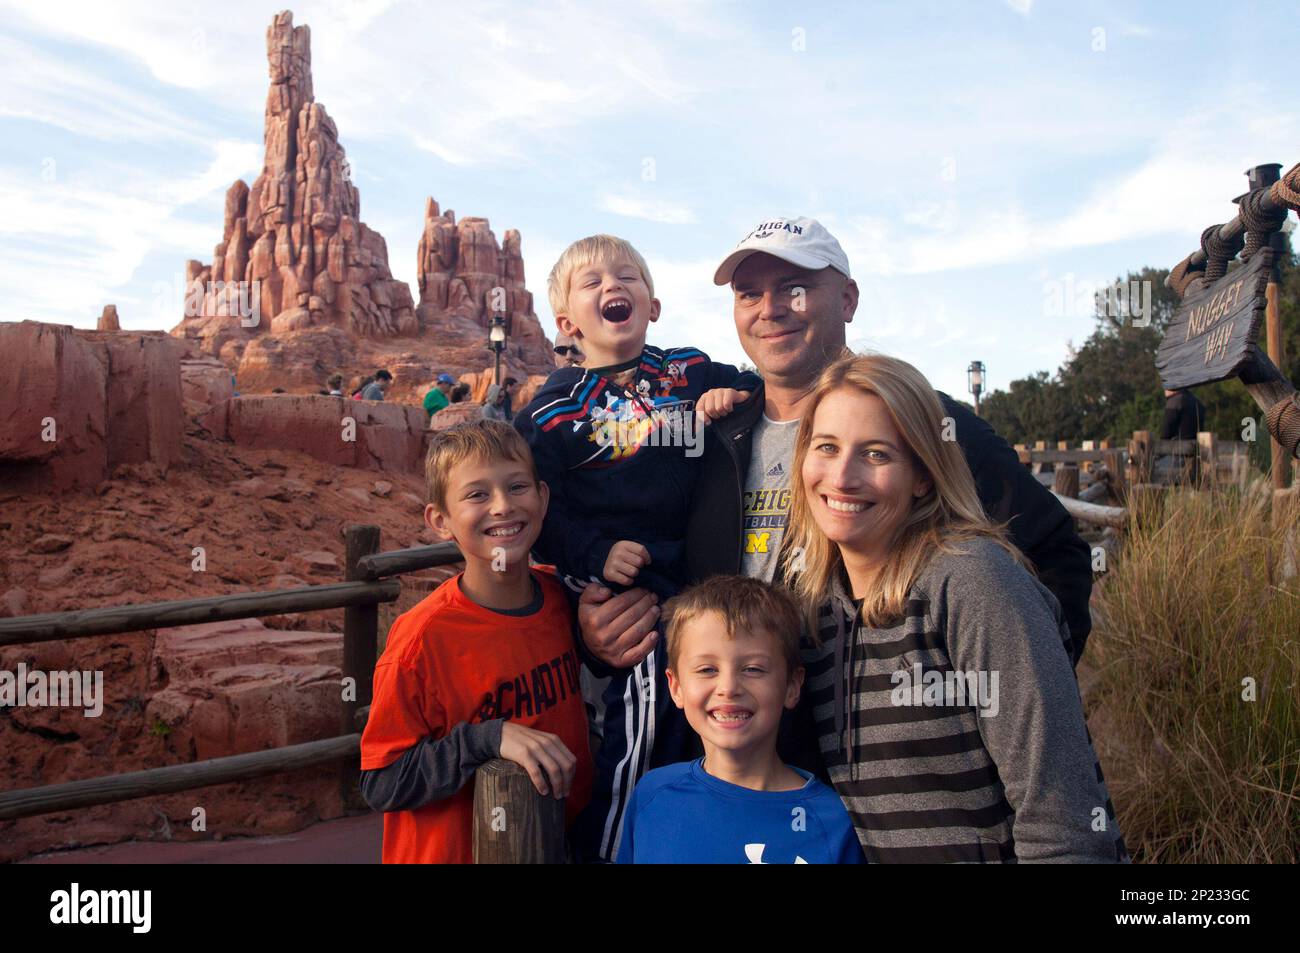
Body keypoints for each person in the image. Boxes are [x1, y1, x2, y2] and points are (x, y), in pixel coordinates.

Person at [573, 215, 1096, 862]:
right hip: (745, 777)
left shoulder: (921, 423)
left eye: (794, 288)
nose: (770, 309)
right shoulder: (712, 435)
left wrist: (996, 708)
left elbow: (1055, 556)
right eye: (749, 292)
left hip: (884, 787)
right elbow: (653, 563)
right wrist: (597, 635)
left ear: (846, 299)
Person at [781, 352, 1126, 862]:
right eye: (826, 447)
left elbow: (1064, 824)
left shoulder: (973, 583)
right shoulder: (817, 611)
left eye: (876, 454)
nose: (842, 476)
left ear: (923, 474)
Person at [513, 234, 760, 861]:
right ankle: (611, 842)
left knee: (704, 700)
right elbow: (538, 507)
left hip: (686, 568)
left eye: (627, 277)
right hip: (614, 574)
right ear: (568, 322)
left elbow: (764, 388)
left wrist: (728, 398)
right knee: (649, 704)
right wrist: (593, 553)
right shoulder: (553, 411)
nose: (612, 287)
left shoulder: (687, 369)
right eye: (592, 283)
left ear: (652, 305)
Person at [359, 420, 593, 864]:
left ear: (542, 498)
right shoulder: (422, 640)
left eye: (517, 486)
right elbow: (382, 781)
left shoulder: (561, 598)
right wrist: (486, 739)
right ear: (440, 520)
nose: (503, 506)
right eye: (477, 494)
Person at [616, 575, 863, 864]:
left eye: (753, 669)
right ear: (676, 687)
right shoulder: (652, 796)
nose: (729, 688)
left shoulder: (834, 820)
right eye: (707, 669)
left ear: (792, 686)